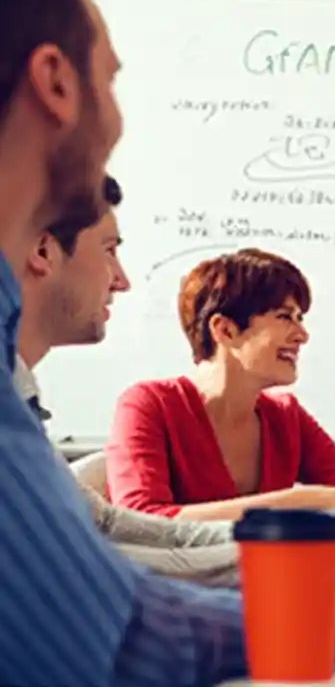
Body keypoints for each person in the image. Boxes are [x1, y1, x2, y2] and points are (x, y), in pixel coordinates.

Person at [0, 0, 335, 683]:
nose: (119, 124)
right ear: (56, 84)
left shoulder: (281, 413)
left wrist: (315, 540)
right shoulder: (145, 404)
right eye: (112, 82)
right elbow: (122, 637)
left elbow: (118, 537)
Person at [104, 247, 335, 525]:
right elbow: (141, 520)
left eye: (300, 319)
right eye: (285, 317)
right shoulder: (149, 405)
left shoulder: (285, 417)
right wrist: (301, 501)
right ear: (225, 330)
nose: (302, 335)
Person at [17, 174, 245, 586]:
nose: (121, 281)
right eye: (108, 251)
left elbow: (104, 523)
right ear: (43, 250)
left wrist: (288, 536)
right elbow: (89, 566)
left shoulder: (18, 393)